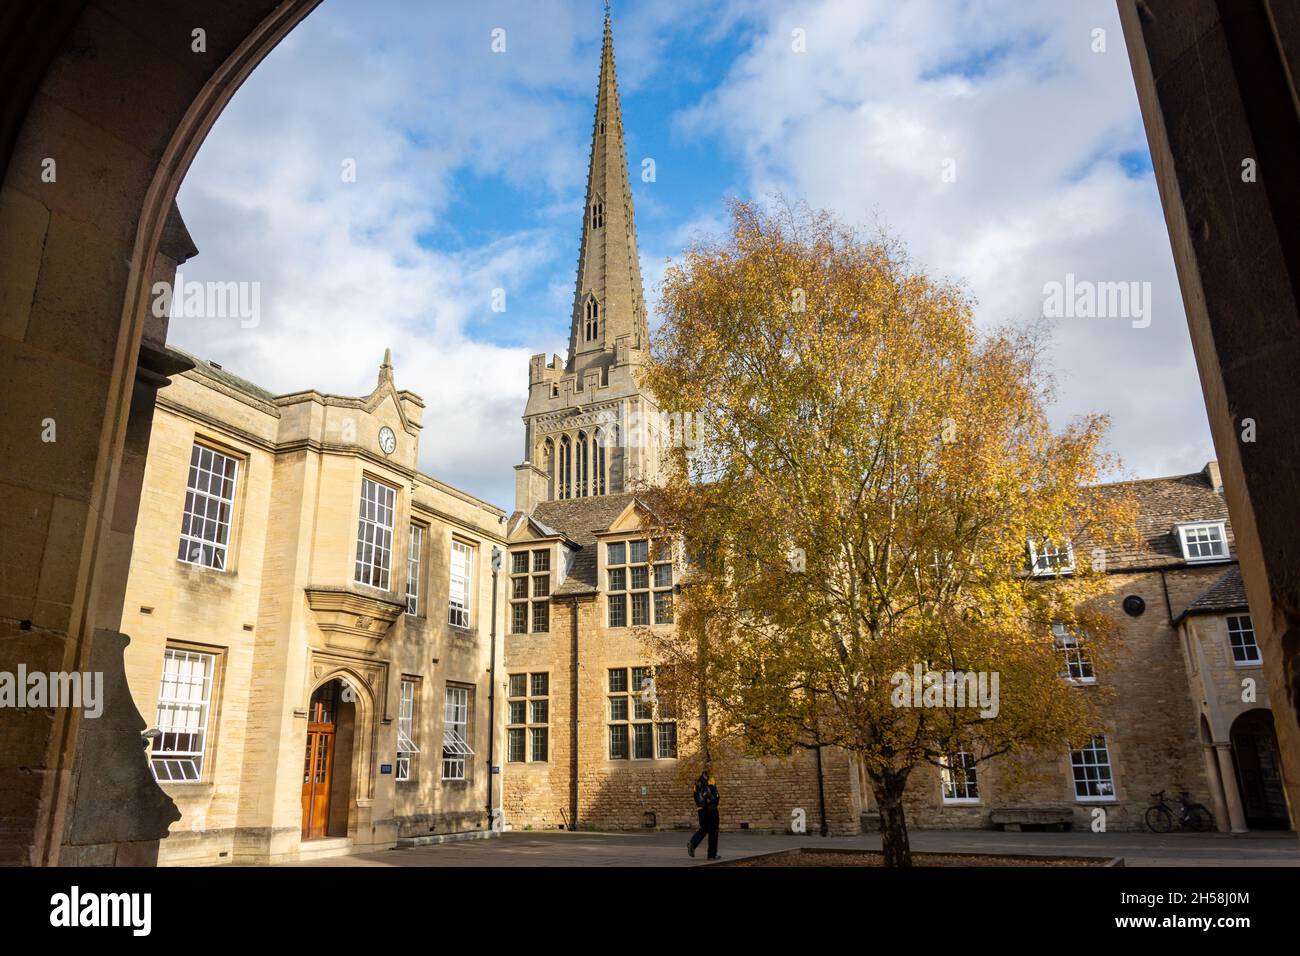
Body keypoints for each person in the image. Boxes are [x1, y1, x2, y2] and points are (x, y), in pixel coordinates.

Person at [687, 769, 720, 860]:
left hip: (701, 810)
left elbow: (695, 796)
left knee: (704, 828)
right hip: (711, 809)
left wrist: (701, 807)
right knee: (713, 831)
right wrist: (714, 803)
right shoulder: (711, 780)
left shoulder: (697, 782)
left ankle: (693, 843)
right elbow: (716, 795)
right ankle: (711, 855)